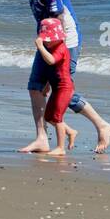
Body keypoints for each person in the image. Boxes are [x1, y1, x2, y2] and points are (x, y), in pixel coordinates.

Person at [3, 0, 110, 154]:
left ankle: (102, 125)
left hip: (64, 42)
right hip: (47, 41)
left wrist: (52, 58)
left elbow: (58, 23)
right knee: (35, 87)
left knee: (62, 90)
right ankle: (42, 139)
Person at [34, 17, 77, 156]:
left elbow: (51, 61)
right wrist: (47, 85)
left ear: (58, 38)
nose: (46, 42)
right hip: (56, 87)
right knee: (48, 117)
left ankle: (60, 148)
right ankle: (70, 131)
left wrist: (40, 47)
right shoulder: (52, 47)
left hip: (65, 88)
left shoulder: (60, 48)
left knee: (57, 117)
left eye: (49, 40)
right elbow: (53, 70)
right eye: (45, 40)